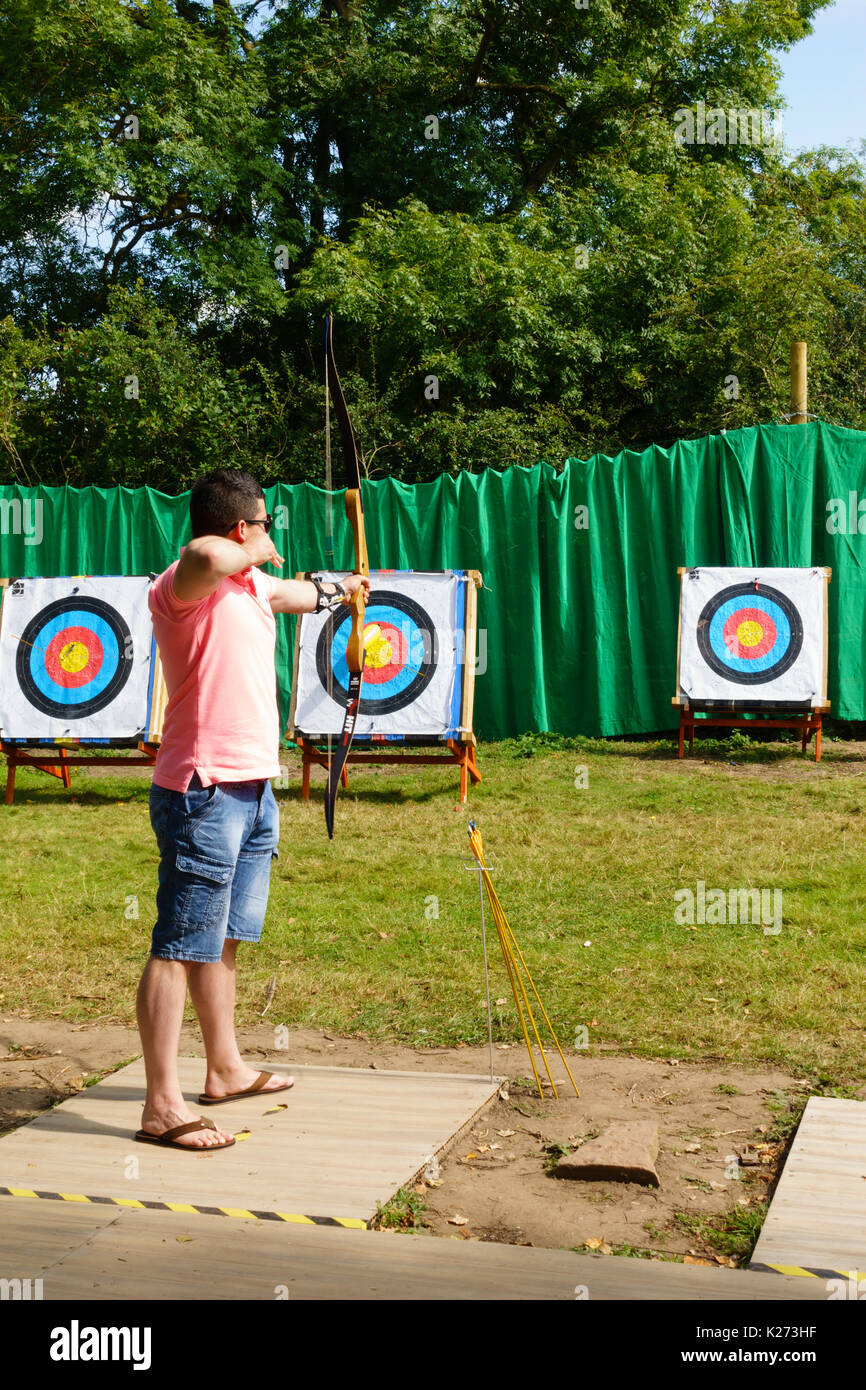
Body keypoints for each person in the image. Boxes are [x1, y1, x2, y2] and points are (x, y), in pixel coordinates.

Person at [135, 469, 369, 1150]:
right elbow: (207, 556)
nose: (272, 535)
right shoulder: (182, 587)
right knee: (180, 943)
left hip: (254, 787)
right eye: (264, 525)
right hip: (201, 789)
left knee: (226, 935)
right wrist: (253, 551)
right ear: (242, 529)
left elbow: (302, 592)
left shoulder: (252, 586)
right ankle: (160, 1105)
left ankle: (225, 1068)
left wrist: (348, 590)